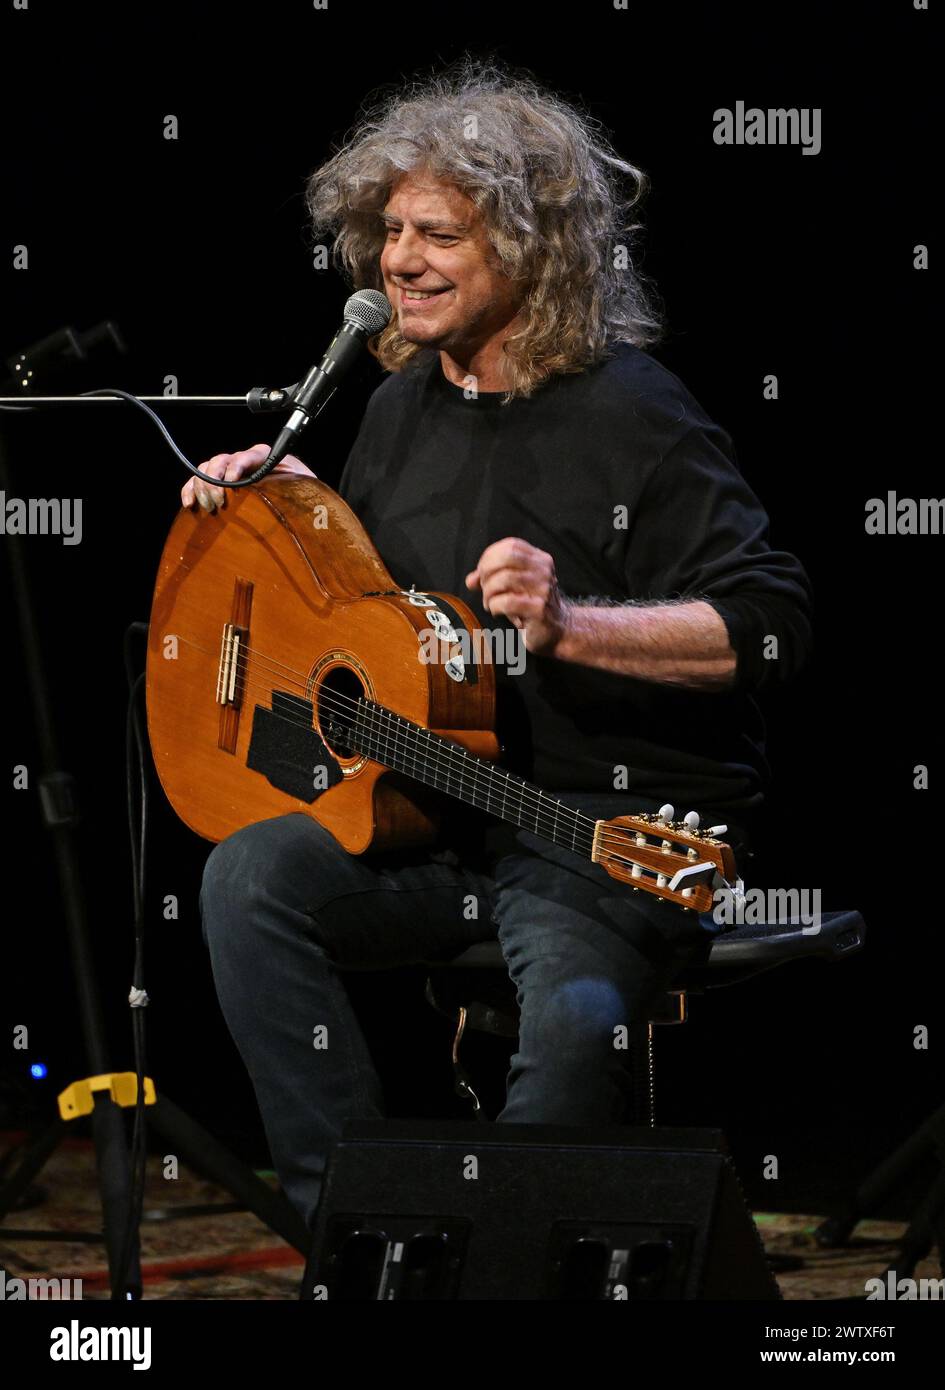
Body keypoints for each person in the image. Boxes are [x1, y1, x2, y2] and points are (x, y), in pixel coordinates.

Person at [184, 60, 812, 1232]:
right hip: (438, 817)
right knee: (249, 878)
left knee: (574, 1018)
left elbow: (774, 624)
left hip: (595, 833)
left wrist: (574, 622)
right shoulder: (401, 403)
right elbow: (374, 620)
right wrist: (291, 514)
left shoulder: (637, 414)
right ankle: (353, 1236)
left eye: (440, 234)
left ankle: (515, 1273)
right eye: (391, 230)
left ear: (533, 250)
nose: (399, 261)